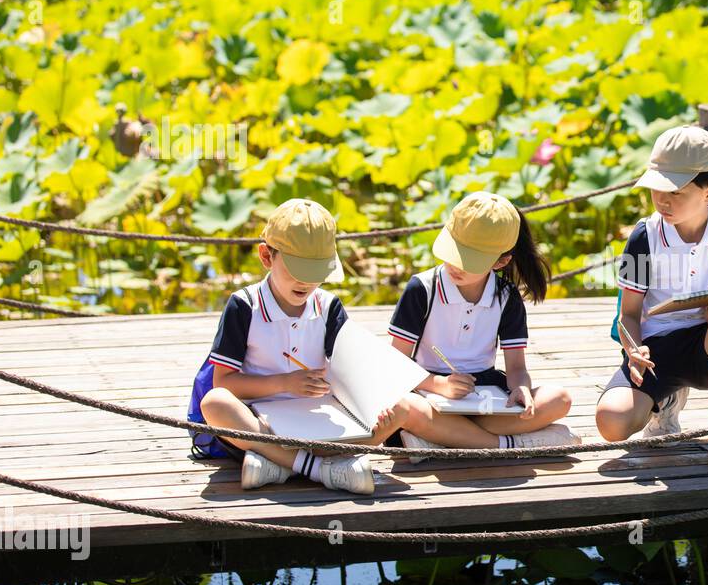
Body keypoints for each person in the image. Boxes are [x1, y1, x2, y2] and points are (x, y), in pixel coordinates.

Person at [189, 198, 405, 495]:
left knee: (406, 405)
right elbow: (224, 383)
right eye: (296, 269)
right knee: (215, 403)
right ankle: (319, 468)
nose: (306, 281)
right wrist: (285, 383)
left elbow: (351, 369)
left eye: (316, 272)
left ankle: (279, 463)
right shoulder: (245, 306)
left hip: (318, 419)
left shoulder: (328, 306)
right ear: (266, 256)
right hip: (259, 422)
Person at [594, 125, 708, 470]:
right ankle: (664, 404)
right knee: (611, 422)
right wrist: (633, 350)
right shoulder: (643, 236)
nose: (662, 200)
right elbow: (629, 314)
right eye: (656, 189)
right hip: (655, 350)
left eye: (676, 191)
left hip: (706, 346)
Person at [387, 191, 578, 457]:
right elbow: (395, 366)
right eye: (454, 251)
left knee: (559, 399)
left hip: (486, 398)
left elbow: (517, 369)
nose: (455, 265)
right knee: (402, 406)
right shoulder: (422, 289)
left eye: (469, 260)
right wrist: (439, 385)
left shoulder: (506, 296)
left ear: (501, 261)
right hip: (427, 389)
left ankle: (441, 440)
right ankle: (507, 446)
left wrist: (521, 388)